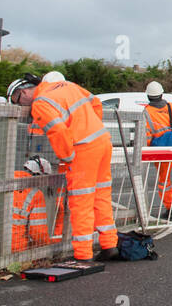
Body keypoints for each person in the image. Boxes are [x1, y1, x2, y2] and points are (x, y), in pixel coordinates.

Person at [8, 72, 118, 262]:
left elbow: (57, 130)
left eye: (17, 101)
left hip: (82, 150)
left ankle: (83, 255)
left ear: (23, 92)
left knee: (80, 202)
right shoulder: (68, 86)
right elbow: (96, 104)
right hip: (102, 141)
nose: (20, 105)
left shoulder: (41, 103)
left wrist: (67, 156)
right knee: (101, 196)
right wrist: (92, 128)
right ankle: (110, 245)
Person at [0, 155, 53, 259]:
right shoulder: (35, 193)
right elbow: (38, 232)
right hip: (14, 251)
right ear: (40, 175)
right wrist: (45, 251)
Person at [142, 81, 172, 221]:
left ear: (148, 96)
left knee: (164, 181)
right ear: (162, 94)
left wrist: (150, 150)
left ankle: (169, 208)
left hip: (161, 150)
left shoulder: (146, 112)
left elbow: (147, 135)